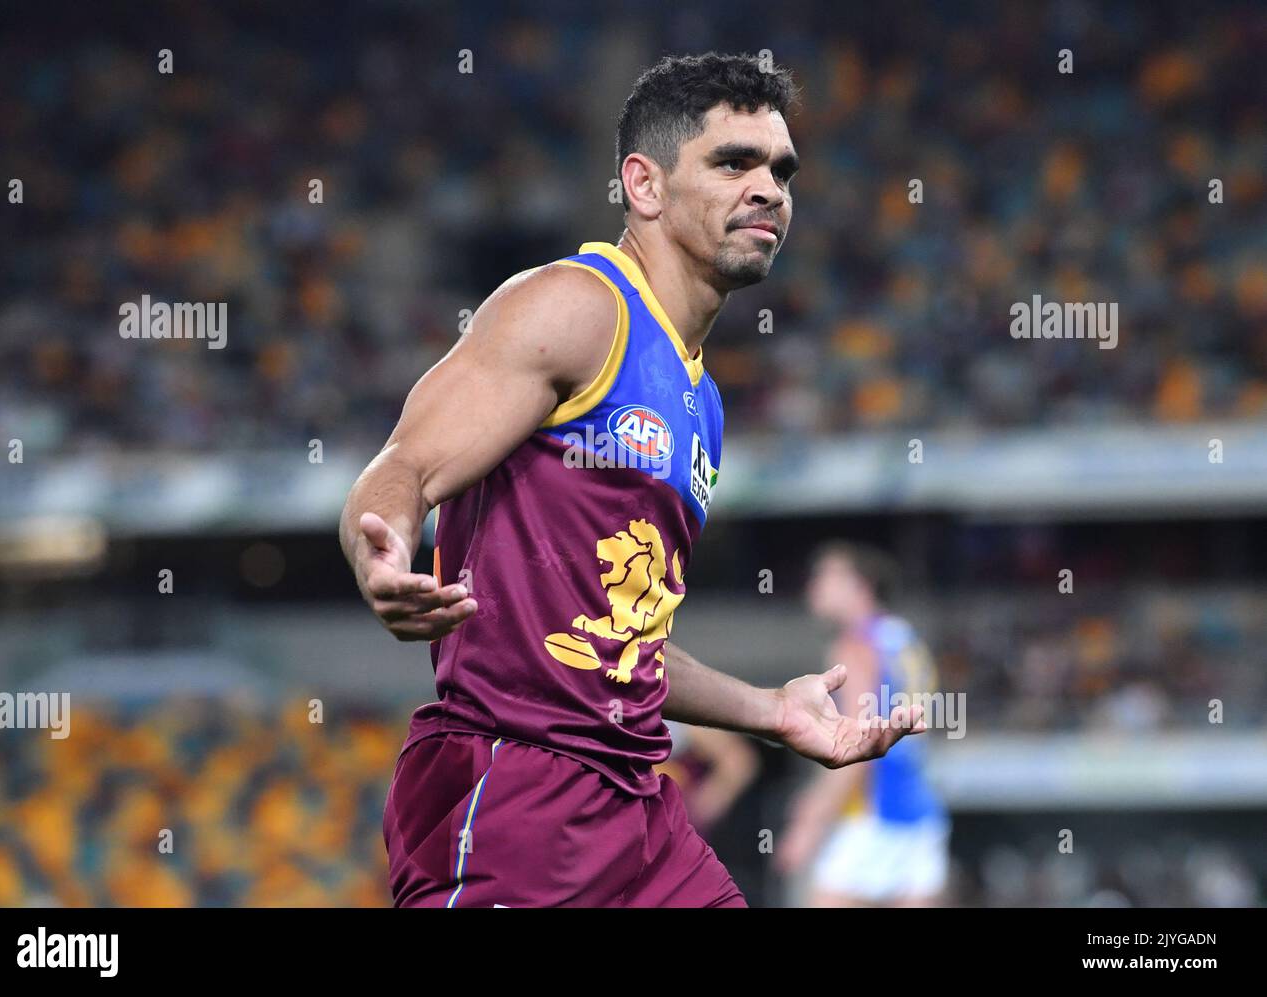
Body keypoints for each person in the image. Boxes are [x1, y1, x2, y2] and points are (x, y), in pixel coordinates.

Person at [339, 53, 925, 908]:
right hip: (513, 783)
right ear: (643, 187)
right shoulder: (576, 308)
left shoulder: (704, 403)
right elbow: (397, 473)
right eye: (733, 163)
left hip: (640, 802)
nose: (769, 189)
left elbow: (626, 643)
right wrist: (380, 560)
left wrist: (772, 710)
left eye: (781, 170)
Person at [777, 543, 950, 907]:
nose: (813, 586)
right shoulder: (905, 639)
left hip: (873, 814)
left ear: (860, 585)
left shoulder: (854, 647)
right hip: (919, 808)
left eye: (825, 575)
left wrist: (809, 824)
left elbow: (853, 744)